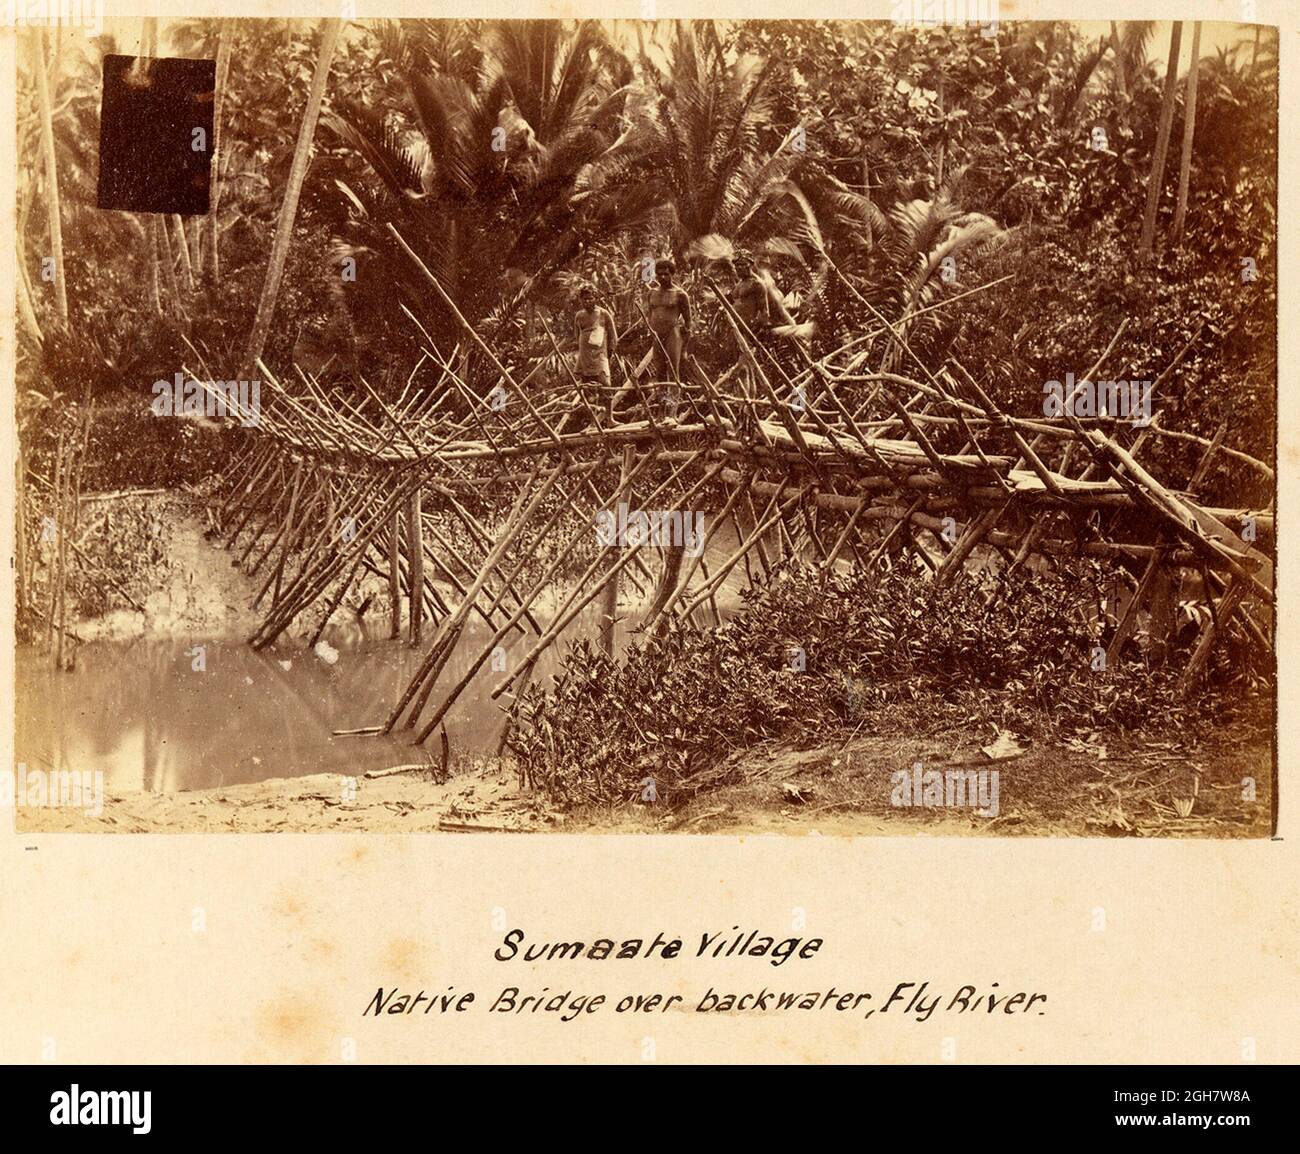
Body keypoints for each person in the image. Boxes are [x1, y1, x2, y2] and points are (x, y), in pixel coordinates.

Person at [646, 259, 691, 384]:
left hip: (673, 334)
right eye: (659, 274)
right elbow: (650, 314)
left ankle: (673, 401)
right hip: (657, 334)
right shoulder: (651, 293)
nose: (663, 277)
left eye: (666, 274)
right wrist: (650, 331)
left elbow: (688, 322)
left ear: (672, 274)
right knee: (659, 369)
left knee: (673, 369)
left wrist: (684, 347)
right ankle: (662, 399)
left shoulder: (680, 294)